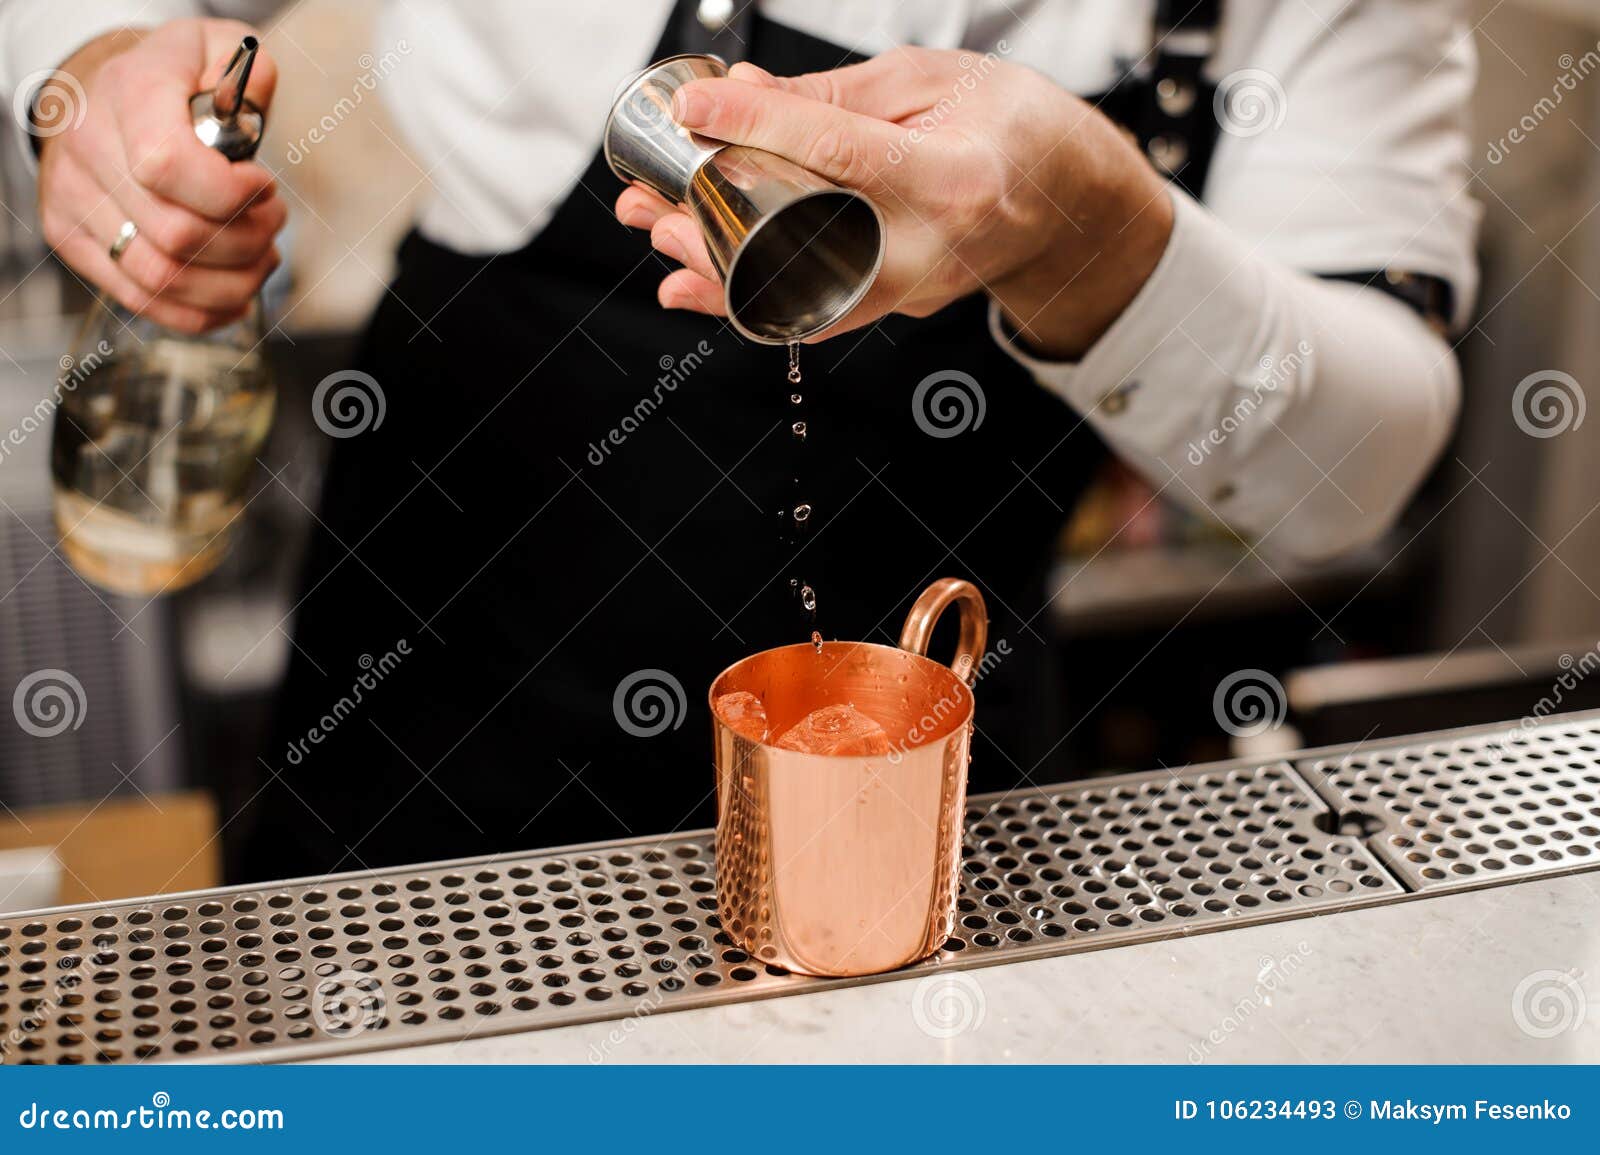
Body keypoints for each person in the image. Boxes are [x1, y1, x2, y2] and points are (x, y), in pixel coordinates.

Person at [0, 1, 1477, 882]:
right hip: (439, 725)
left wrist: (1092, 227)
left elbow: (1351, 481)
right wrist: (96, 68)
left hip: (936, 801)